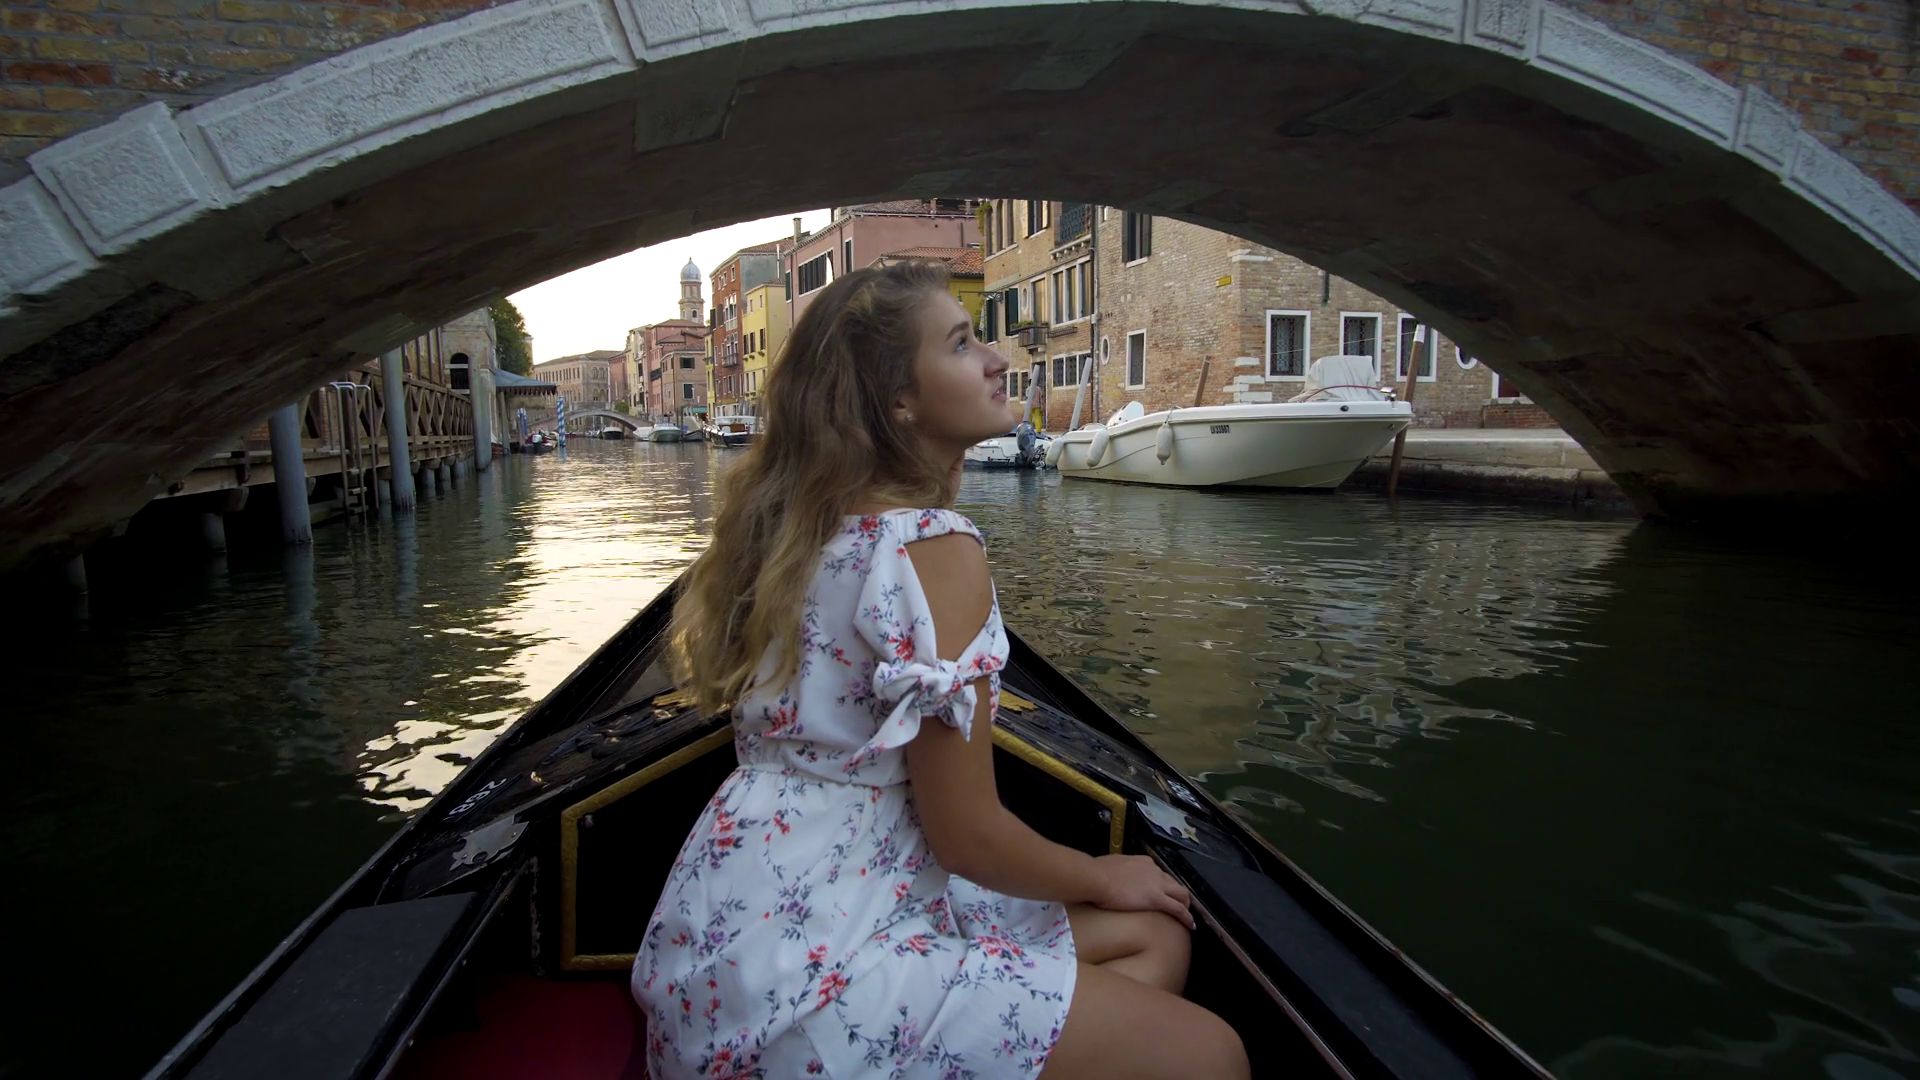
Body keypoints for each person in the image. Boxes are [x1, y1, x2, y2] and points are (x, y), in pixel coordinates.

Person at [632, 260, 1249, 1080]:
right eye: (961, 344)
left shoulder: (790, 536)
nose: (997, 360)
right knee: (1214, 1053)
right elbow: (966, 835)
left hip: (731, 938)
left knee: (1151, 937)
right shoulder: (931, 544)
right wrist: (1103, 873)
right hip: (823, 969)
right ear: (900, 399)